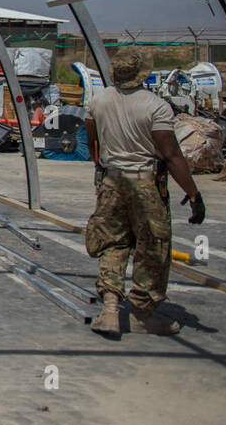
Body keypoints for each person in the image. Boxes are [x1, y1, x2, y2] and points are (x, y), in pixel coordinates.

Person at [84, 45, 206, 338]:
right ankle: (140, 312)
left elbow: (93, 143)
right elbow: (172, 154)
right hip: (145, 185)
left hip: (111, 183)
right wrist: (193, 194)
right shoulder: (155, 107)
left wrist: (103, 169)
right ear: (142, 74)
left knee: (113, 242)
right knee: (153, 248)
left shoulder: (97, 102)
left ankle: (110, 308)